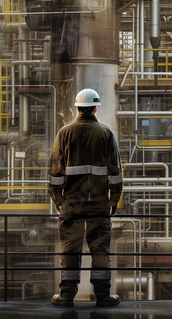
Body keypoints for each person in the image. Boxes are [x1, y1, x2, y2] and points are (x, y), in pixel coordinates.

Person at [48, 88, 123, 307]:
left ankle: (67, 295)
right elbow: (115, 172)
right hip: (99, 206)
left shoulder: (65, 133)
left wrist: (59, 201)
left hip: (72, 207)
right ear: (95, 107)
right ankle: (103, 296)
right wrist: (113, 200)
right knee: (100, 251)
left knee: (70, 251)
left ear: (78, 108)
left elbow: (55, 172)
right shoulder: (106, 133)